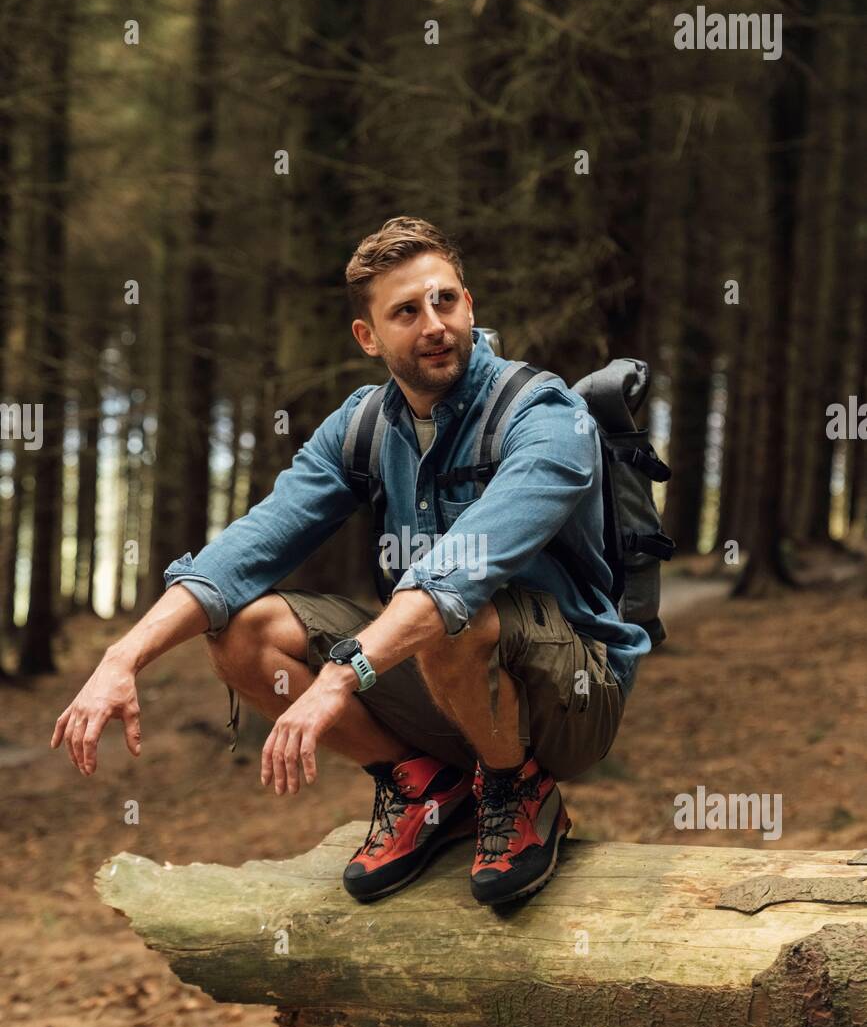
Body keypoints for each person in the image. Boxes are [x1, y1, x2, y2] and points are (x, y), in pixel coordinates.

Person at [51, 216, 650, 906]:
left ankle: (516, 789)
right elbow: (250, 546)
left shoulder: (541, 413)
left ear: (469, 303)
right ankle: (425, 786)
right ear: (368, 337)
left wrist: (342, 674)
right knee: (245, 630)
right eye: (406, 311)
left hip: (572, 699)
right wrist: (122, 658)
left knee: (450, 613)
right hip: (447, 683)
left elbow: (461, 571)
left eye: (445, 300)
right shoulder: (363, 425)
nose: (434, 324)